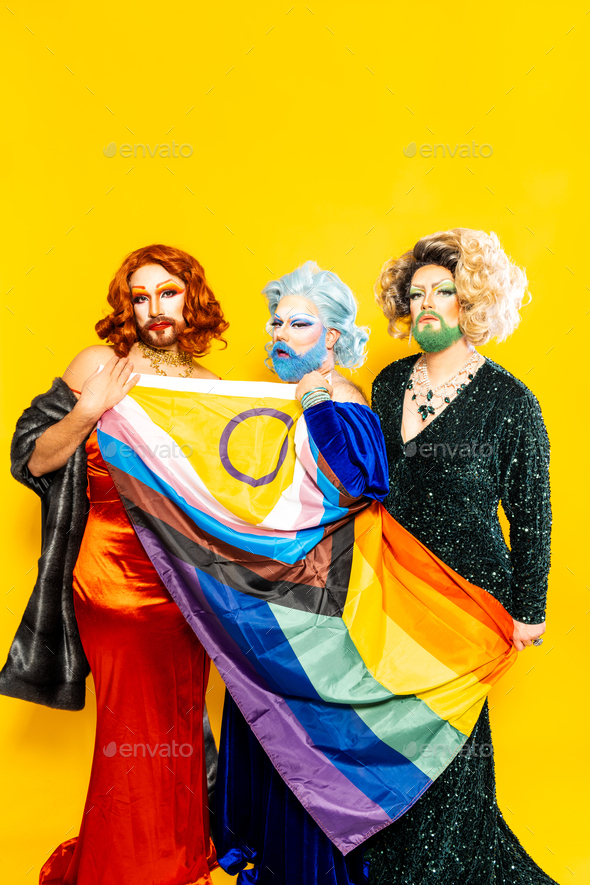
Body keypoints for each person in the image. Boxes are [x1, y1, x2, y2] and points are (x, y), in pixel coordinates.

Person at [1, 244, 227, 885]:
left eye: (169, 293)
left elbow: (230, 500)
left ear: (192, 301)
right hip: (111, 584)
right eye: (141, 296)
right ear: (127, 307)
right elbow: (33, 461)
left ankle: (177, 865)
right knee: (135, 730)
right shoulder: (100, 364)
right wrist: (87, 409)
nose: (155, 308)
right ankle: (128, 871)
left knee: (182, 721)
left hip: (188, 589)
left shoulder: (212, 389)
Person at [368, 228, 555, 883]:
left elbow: (532, 515)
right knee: (394, 744)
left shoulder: (511, 401)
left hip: (472, 602)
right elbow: (371, 489)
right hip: (392, 592)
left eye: (442, 291)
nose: (425, 303)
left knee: (449, 749)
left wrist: (528, 609)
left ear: (472, 300)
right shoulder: (387, 385)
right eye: (414, 292)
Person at [212, 260, 388, 885]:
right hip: (262, 601)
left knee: (305, 744)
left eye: (300, 322)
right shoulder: (276, 397)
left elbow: (354, 481)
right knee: (263, 730)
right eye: (276, 320)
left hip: (320, 603)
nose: (281, 331)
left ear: (333, 337)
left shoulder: (341, 399)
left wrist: (314, 389)